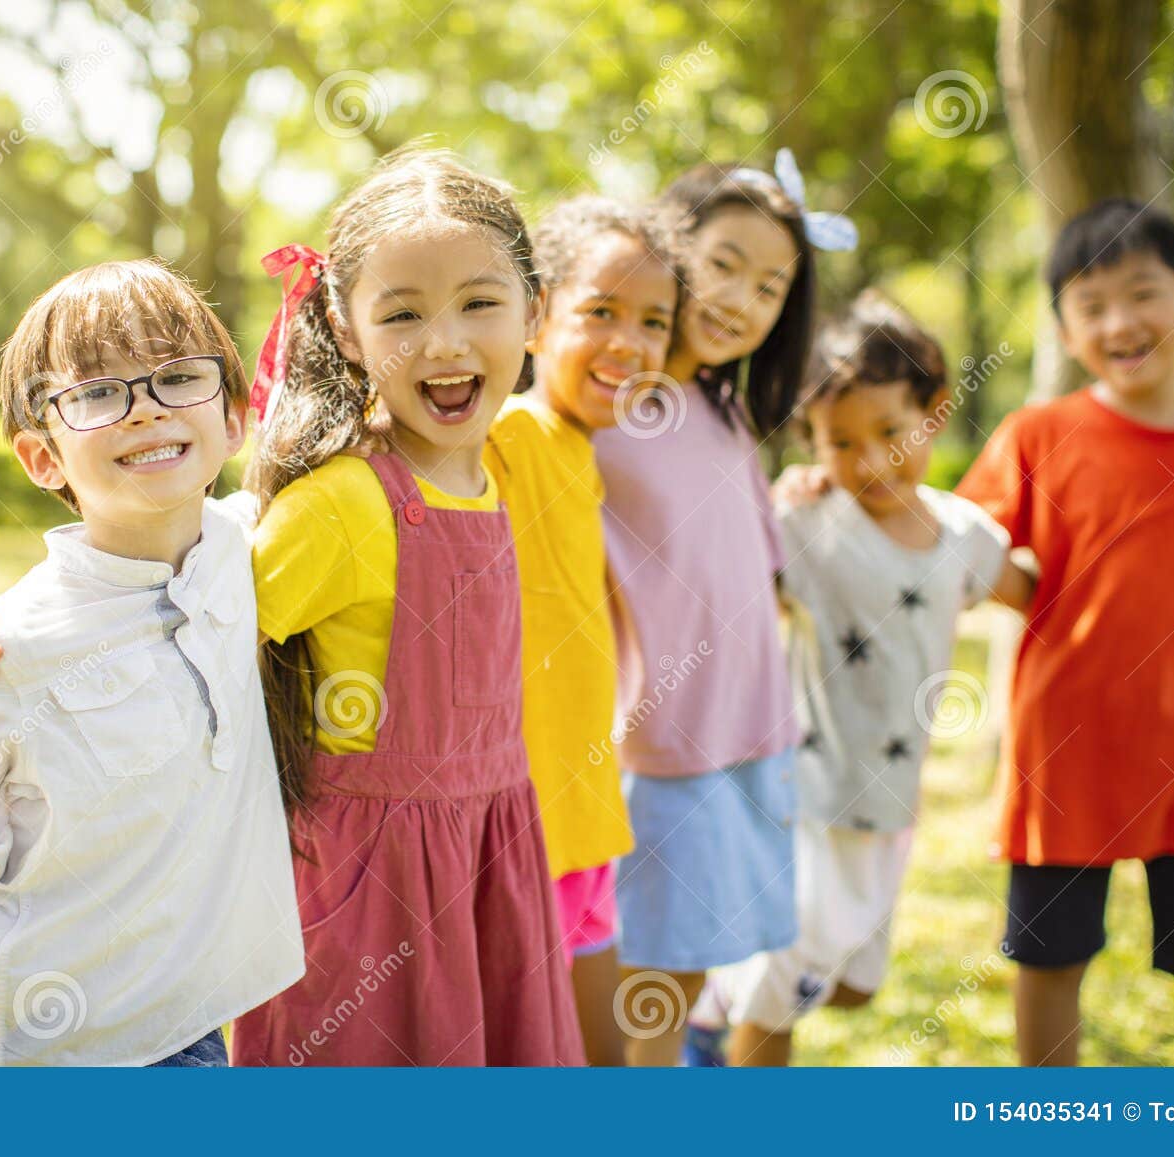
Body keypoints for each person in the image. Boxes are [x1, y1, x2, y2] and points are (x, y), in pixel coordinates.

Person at [0, 259, 303, 1066]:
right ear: (42, 459)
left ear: (235, 420)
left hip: (187, 1030)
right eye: (98, 393)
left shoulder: (250, 545)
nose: (144, 410)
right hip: (22, 1056)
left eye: (176, 376)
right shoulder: (5, 646)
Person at [232, 147, 583, 1065]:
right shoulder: (345, 502)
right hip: (367, 895)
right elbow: (197, 641)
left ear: (534, 313)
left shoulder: (500, 469)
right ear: (345, 332)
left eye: (479, 302)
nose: (444, 342)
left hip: (489, 866)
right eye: (401, 313)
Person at [957, 198, 1174, 1066]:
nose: (1120, 321)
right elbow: (974, 555)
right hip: (1065, 749)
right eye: (1090, 304)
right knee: (1048, 957)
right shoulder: (1036, 433)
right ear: (1066, 331)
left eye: (1141, 292)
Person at [693, 291, 1033, 1066]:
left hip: (890, 803)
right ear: (811, 442)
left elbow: (1035, 588)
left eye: (890, 431)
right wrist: (768, 501)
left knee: (852, 987)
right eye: (840, 442)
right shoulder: (805, 525)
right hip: (802, 799)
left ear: (936, 412)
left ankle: (715, 1001)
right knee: (784, 995)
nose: (870, 459)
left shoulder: (962, 535)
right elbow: (717, 576)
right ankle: (716, 1047)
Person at [593, 152, 854, 1065]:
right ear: (670, 246)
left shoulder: (727, 413)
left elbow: (736, 563)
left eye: (772, 285)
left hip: (749, 734)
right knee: (644, 988)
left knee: (698, 970)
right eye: (725, 263)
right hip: (658, 745)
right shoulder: (603, 400)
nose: (742, 297)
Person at [483, 195, 679, 1064]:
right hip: (524, 832)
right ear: (537, 317)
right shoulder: (511, 433)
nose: (630, 342)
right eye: (600, 311)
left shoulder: (576, 448)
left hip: (581, 821)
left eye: (654, 322)